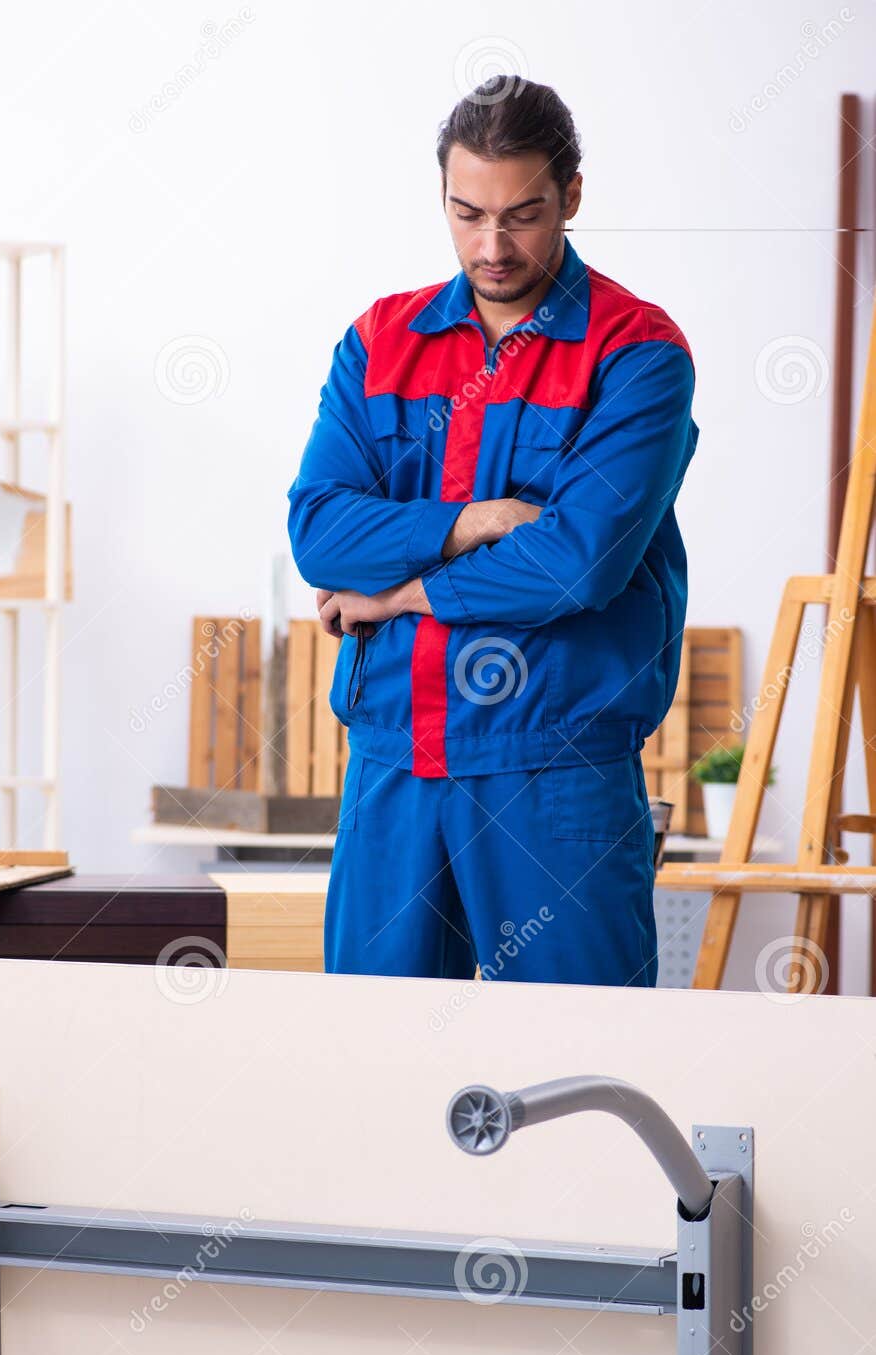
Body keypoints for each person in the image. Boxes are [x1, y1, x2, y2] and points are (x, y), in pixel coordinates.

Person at [286, 76, 699, 986]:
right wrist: (473, 522)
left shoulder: (636, 354)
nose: (492, 245)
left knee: (581, 1073)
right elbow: (318, 532)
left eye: (522, 214)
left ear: (573, 198)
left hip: (555, 772)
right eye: (467, 213)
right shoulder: (378, 341)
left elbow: (576, 566)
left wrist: (396, 590)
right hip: (391, 763)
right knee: (372, 1067)